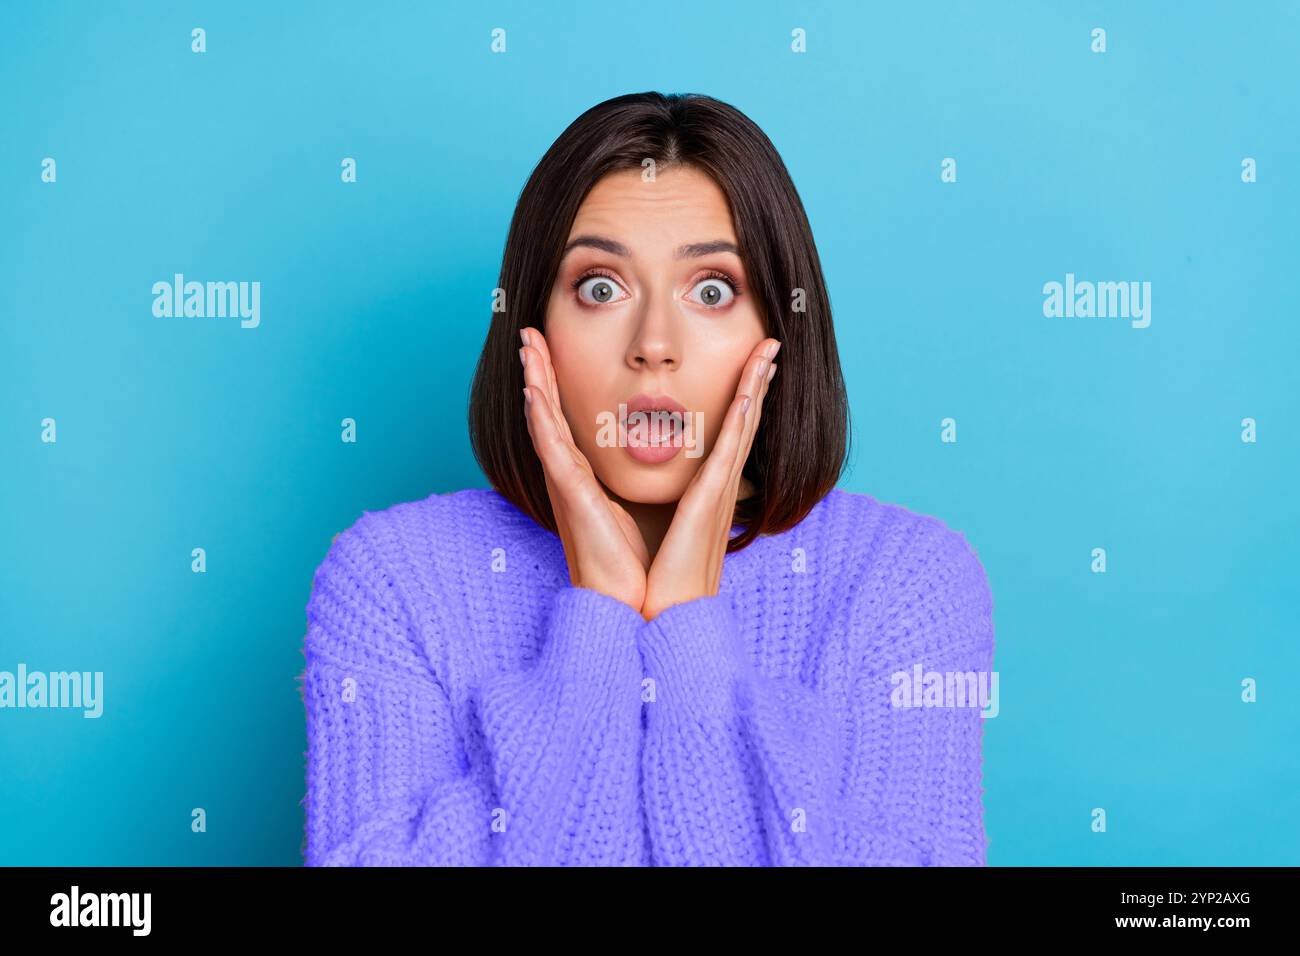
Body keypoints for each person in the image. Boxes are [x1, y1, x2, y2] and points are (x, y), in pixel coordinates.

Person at [300, 91, 995, 866]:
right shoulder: (393, 579)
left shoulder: (904, 581)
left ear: (779, 328)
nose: (654, 344)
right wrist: (597, 617)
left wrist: (688, 629)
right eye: (600, 288)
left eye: (712, 291)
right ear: (532, 328)